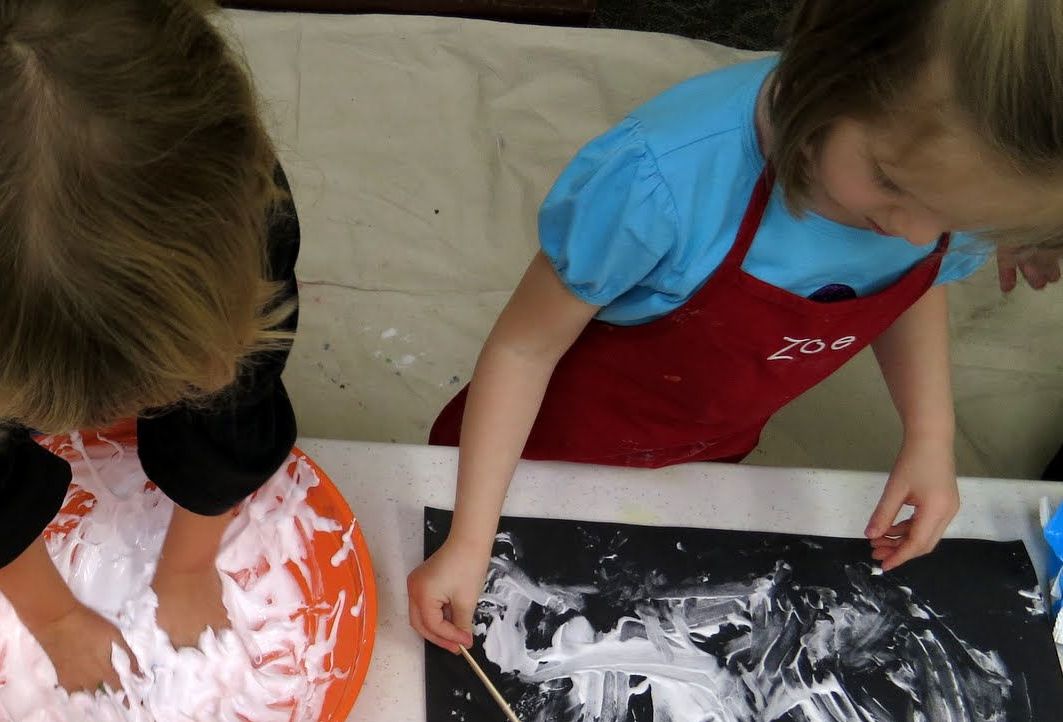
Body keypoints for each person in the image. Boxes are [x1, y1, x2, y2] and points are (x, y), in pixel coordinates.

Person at [410, 0, 1063, 652]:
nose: (914, 231)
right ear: (825, 69)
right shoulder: (658, 183)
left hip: (709, 453)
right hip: (531, 452)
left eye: (951, 219)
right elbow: (524, 348)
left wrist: (931, 434)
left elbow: (918, 282)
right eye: (890, 184)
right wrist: (469, 537)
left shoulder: (932, 201)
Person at [0, 0, 300, 692]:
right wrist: (53, 619)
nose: (82, 425)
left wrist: (187, 564)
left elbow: (237, 419)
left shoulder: (248, 235)